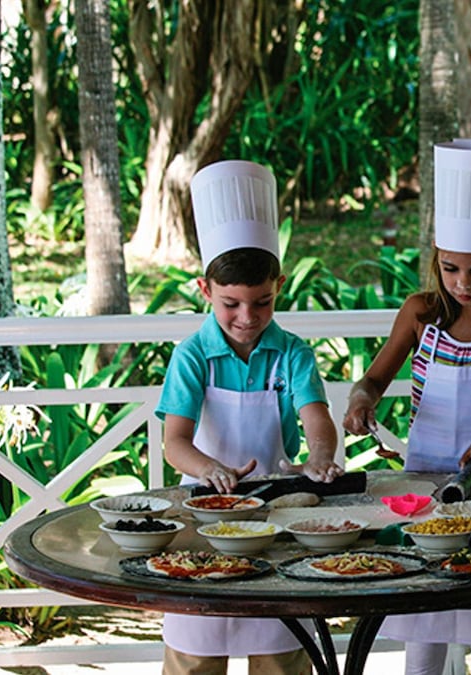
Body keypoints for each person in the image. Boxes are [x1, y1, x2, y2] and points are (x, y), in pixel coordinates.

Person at [342, 139, 471, 675]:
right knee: (423, 630)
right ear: (436, 258)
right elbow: (375, 377)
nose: (463, 284)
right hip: (422, 487)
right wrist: (362, 401)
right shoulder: (420, 313)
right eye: (451, 268)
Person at [156, 160, 344, 675]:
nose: (247, 318)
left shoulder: (293, 353)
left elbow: (316, 417)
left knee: (281, 657)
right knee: (196, 656)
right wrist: (209, 470)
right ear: (204, 290)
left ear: (279, 285)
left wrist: (322, 458)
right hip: (202, 518)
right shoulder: (193, 355)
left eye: (262, 302)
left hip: (275, 517)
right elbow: (175, 441)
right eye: (231, 304)